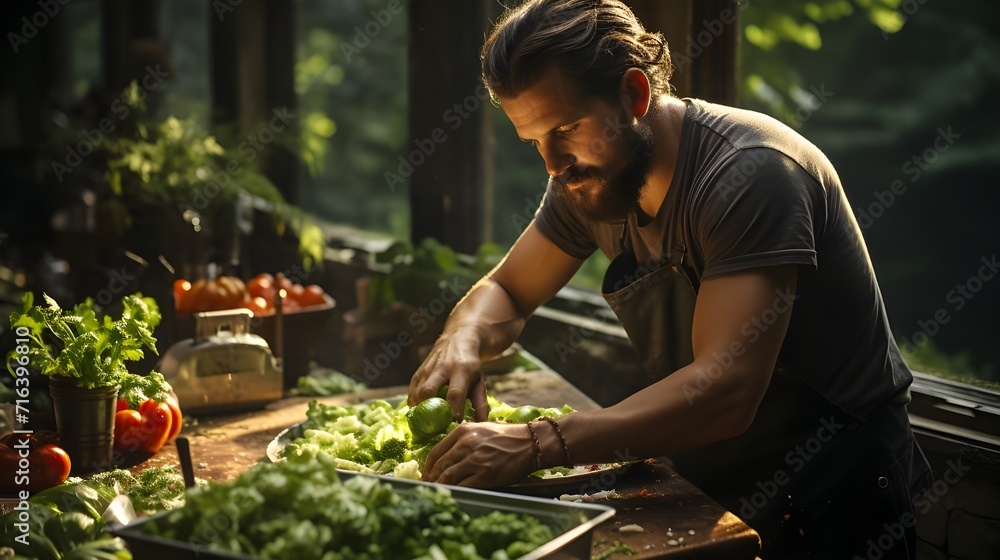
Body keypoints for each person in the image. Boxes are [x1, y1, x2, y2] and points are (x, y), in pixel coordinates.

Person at [407, 1, 933, 558]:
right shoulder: (586, 180)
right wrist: (459, 338)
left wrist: (538, 444)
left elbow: (725, 392)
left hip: (836, 489)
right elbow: (508, 291)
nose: (552, 165)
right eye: (534, 141)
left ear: (633, 95)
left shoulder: (750, 175)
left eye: (566, 130)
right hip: (715, 470)